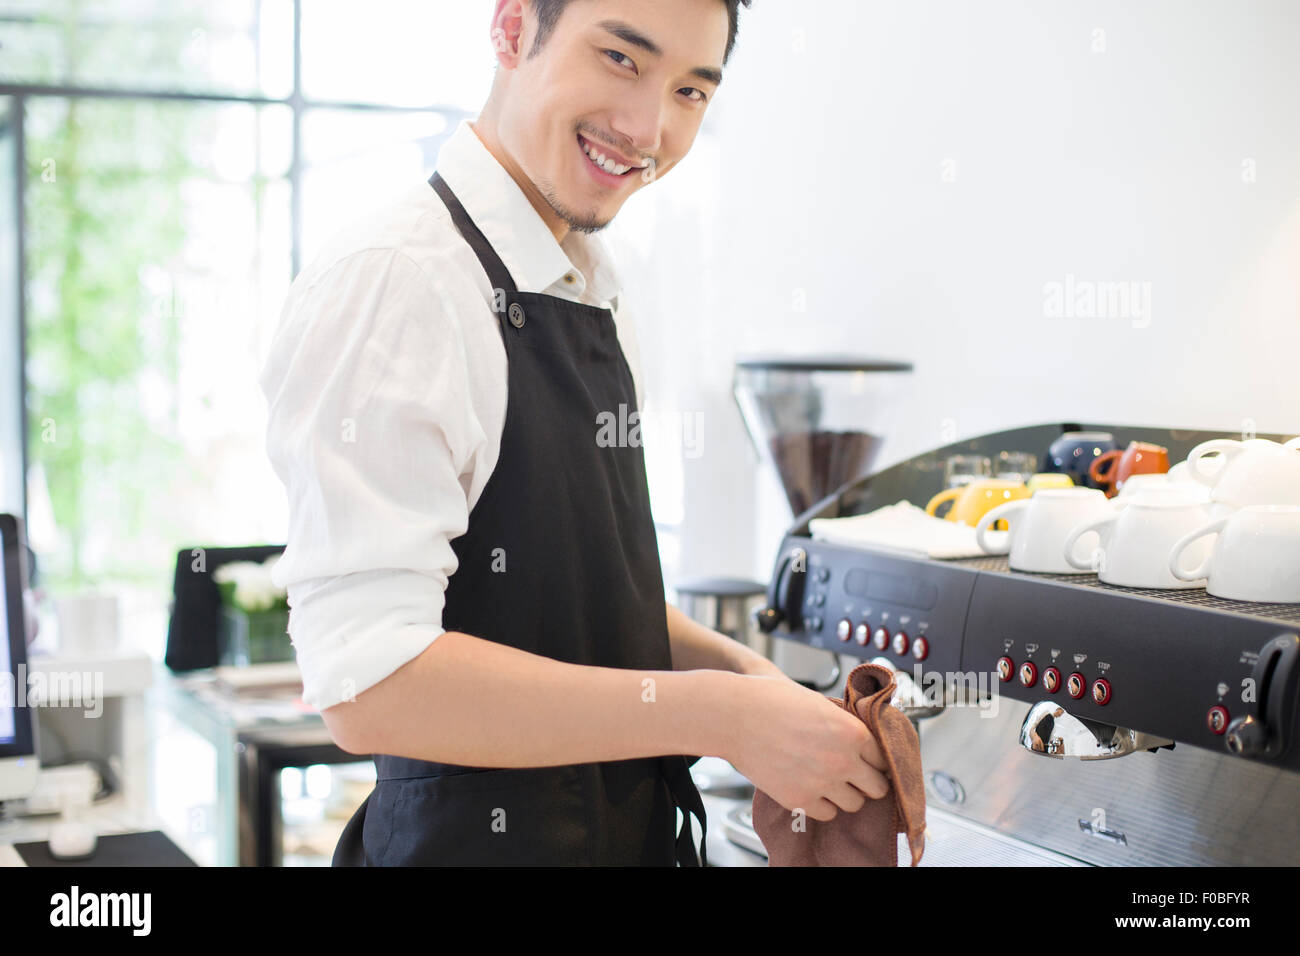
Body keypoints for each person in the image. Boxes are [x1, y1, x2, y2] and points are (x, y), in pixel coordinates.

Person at [259, 0, 890, 867]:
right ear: (513, 28)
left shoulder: (592, 282)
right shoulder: (400, 283)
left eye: (691, 92)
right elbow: (371, 684)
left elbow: (580, 599)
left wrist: (747, 678)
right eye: (621, 60)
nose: (648, 129)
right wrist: (717, 714)